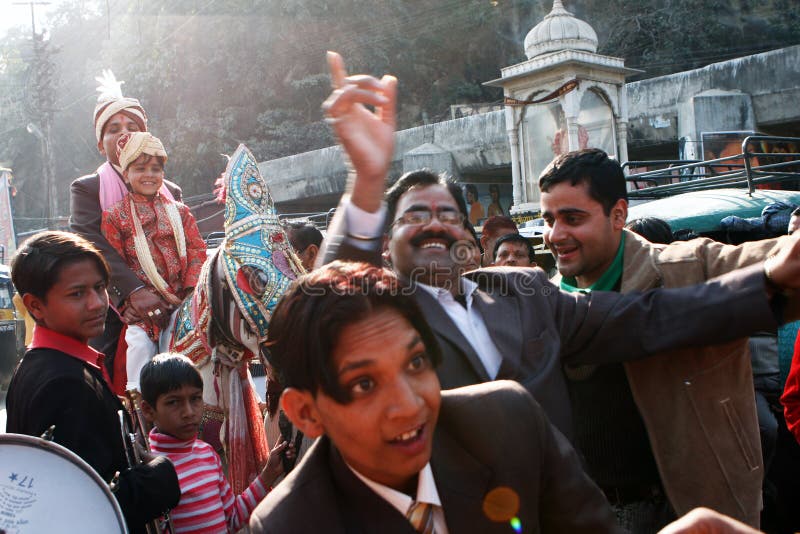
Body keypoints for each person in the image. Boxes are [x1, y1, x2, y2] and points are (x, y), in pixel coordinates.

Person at [317, 51, 800, 444]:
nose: (435, 226)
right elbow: (327, 306)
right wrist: (365, 179)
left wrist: (770, 279)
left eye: (448, 215)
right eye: (414, 216)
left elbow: (649, 316)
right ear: (386, 242)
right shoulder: (378, 312)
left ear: (468, 234)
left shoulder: (525, 293)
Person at [250, 261, 622, 533]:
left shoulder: (508, 423)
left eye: (415, 363)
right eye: (364, 384)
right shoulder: (291, 525)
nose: (412, 405)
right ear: (306, 413)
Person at [539, 148, 796, 530]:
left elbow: (773, 263)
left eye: (572, 218)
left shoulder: (688, 268)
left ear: (618, 214)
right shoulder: (542, 302)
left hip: (692, 509)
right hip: (587, 514)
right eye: (548, 219)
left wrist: (780, 262)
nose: (555, 235)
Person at [5, 231, 180, 533]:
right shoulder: (64, 385)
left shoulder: (43, 366)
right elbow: (85, 505)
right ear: (35, 306)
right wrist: (161, 475)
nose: (97, 303)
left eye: (100, 288)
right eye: (77, 294)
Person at [70, 73, 183, 386]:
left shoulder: (171, 191)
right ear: (99, 142)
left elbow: (185, 247)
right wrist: (130, 296)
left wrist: (180, 295)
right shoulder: (87, 189)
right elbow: (90, 245)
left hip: (175, 305)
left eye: (132, 127)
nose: (123, 134)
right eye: (113, 128)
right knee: (107, 386)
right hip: (113, 313)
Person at [101, 132, 206, 391]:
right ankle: (141, 415)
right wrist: (127, 303)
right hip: (144, 312)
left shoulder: (181, 212)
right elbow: (112, 266)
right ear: (125, 174)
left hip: (184, 303)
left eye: (156, 169)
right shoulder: (115, 217)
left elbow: (196, 250)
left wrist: (192, 293)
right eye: (140, 169)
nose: (149, 174)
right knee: (138, 347)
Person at [139, 353, 289, 533]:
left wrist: (268, 475)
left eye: (195, 399)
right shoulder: (149, 470)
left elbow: (232, 518)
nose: (188, 412)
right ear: (148, 410)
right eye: (173, 402)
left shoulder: (207, 454)